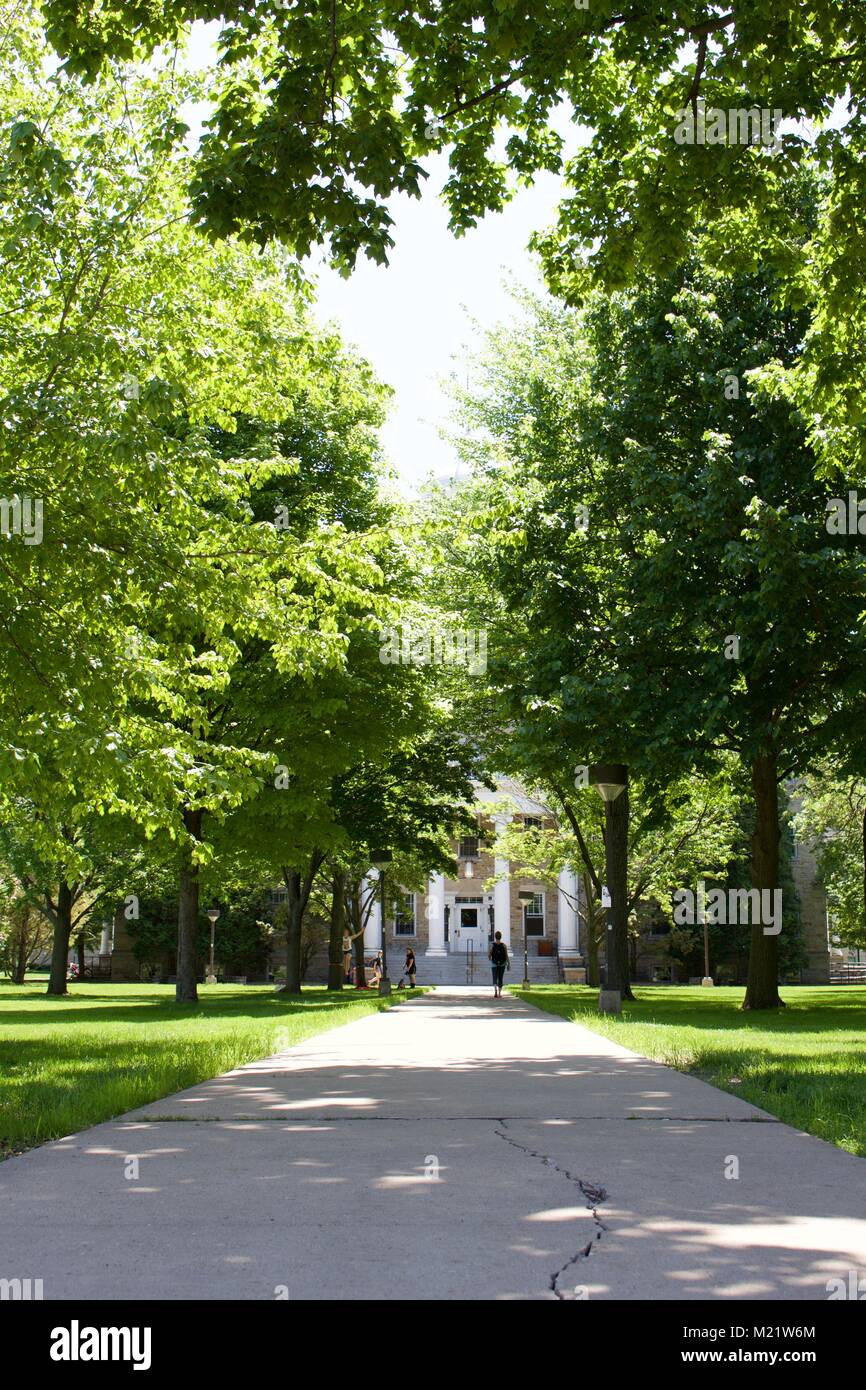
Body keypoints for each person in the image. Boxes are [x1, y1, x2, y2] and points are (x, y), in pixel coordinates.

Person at [489, 931, 509, 998]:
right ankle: (500, 993)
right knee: (500, 978)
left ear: (495, 937)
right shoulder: (504, 945)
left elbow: (489, 955)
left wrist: (490, 959)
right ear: (501, 937)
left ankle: (495, 991)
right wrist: (509, 963)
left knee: (494, 977)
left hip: (494, 963)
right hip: (502, 963)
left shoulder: (492, 945)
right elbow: (506, 955)